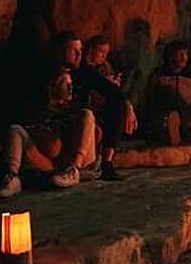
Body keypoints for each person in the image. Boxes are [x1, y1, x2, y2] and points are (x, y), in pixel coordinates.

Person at [0, 68, 99, 197]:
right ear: (54, 87)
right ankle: (12, 177)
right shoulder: (41, 110)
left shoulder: (76, 109)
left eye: (71, 84)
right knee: (15, 130)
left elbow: (94, 133)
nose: (70, 87)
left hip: (77, 161)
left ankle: (73, 171)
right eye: (65, 84)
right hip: (50, 164)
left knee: (87, 115)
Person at [58, 31, 135, 180]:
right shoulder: (50, 71)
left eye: (79, 51)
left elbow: (113, 92)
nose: (78, 55)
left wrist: (128, 105)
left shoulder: (87, 70)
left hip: (84, 120)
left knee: (109, 108)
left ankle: (105, 163)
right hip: (56, 123)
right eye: (74, 51)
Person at [146, 40, 191, 145]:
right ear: (171, 56)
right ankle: (169, 135)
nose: (184, 57)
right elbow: (151, 98)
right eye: (180, 54)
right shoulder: (159, 74)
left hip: (188, 114)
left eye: (186, 54)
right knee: (172, 117)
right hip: (168, 114)